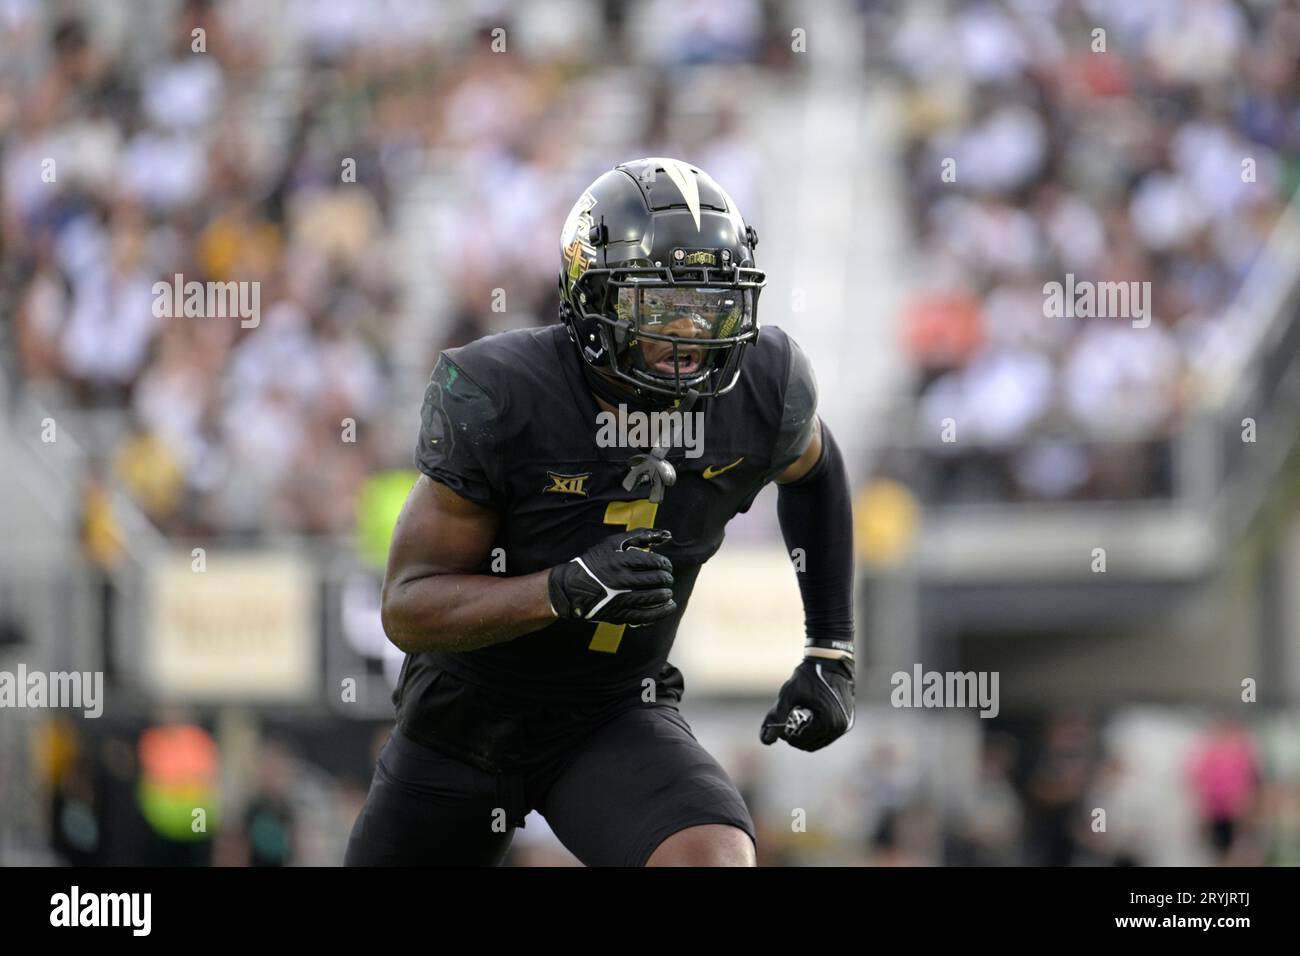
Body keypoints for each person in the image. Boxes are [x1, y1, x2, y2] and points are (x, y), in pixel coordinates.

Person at [345, 158, 855, 866]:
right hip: (466, 719)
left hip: (614, 711)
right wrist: (561, 590)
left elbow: (816, 469)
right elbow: (407, 608)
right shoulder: (503, 394)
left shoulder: (761, 388)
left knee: (711, 856)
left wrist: (831, 648)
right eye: (660, 304)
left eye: (710, 303)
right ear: (597, 301)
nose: (689, 332)